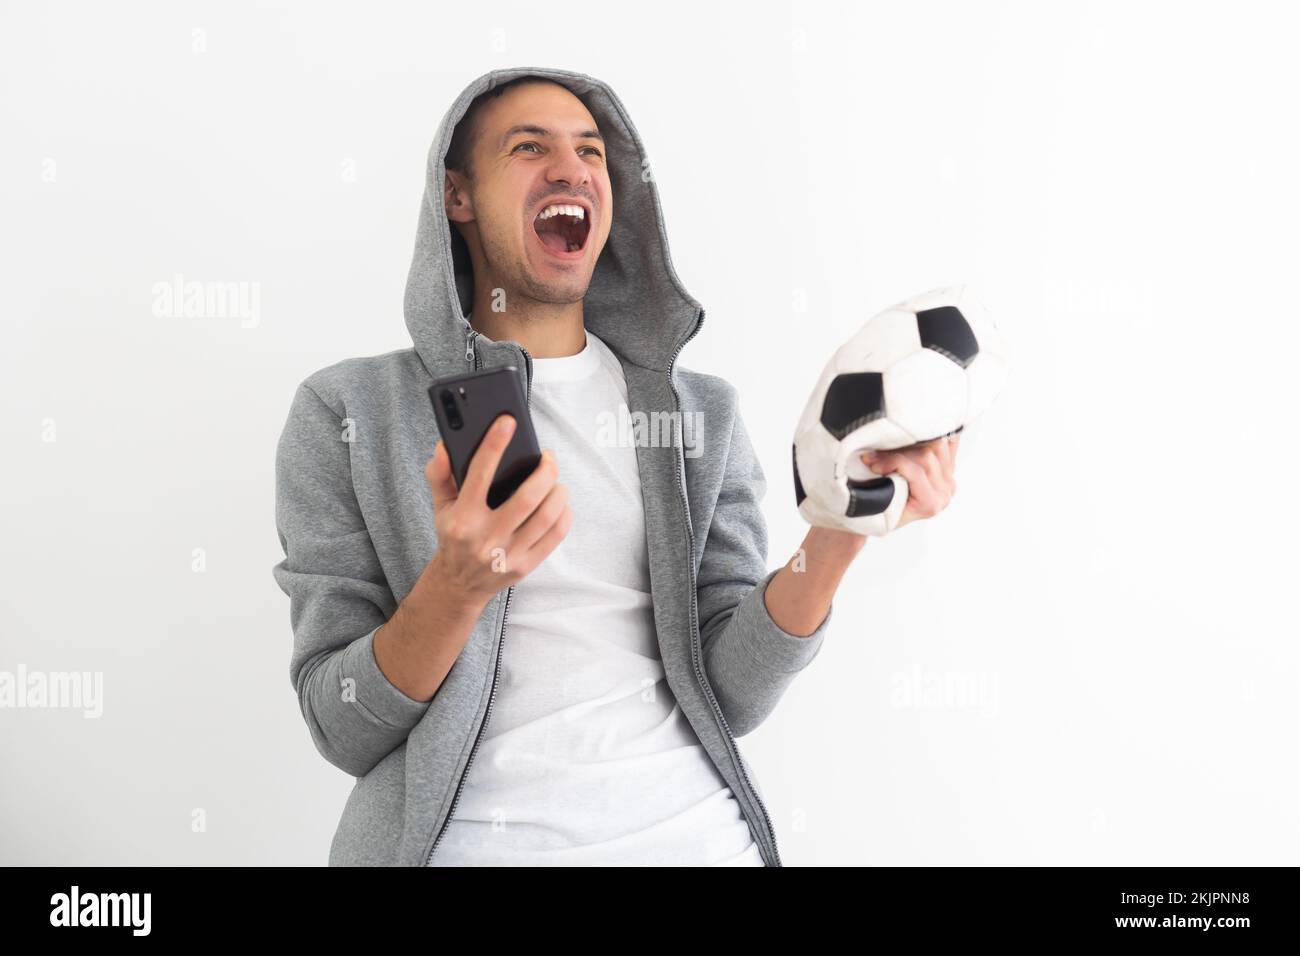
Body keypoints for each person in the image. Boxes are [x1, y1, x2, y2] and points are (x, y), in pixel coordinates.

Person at [272, 67, 958, 867]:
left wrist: (838, 532)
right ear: (456, 196)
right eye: (530, 147)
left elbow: (731, 692)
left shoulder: (700, 414)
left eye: (591, 152)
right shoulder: (348, 411)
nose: (571, 169)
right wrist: (457, 585)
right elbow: (341, 723)